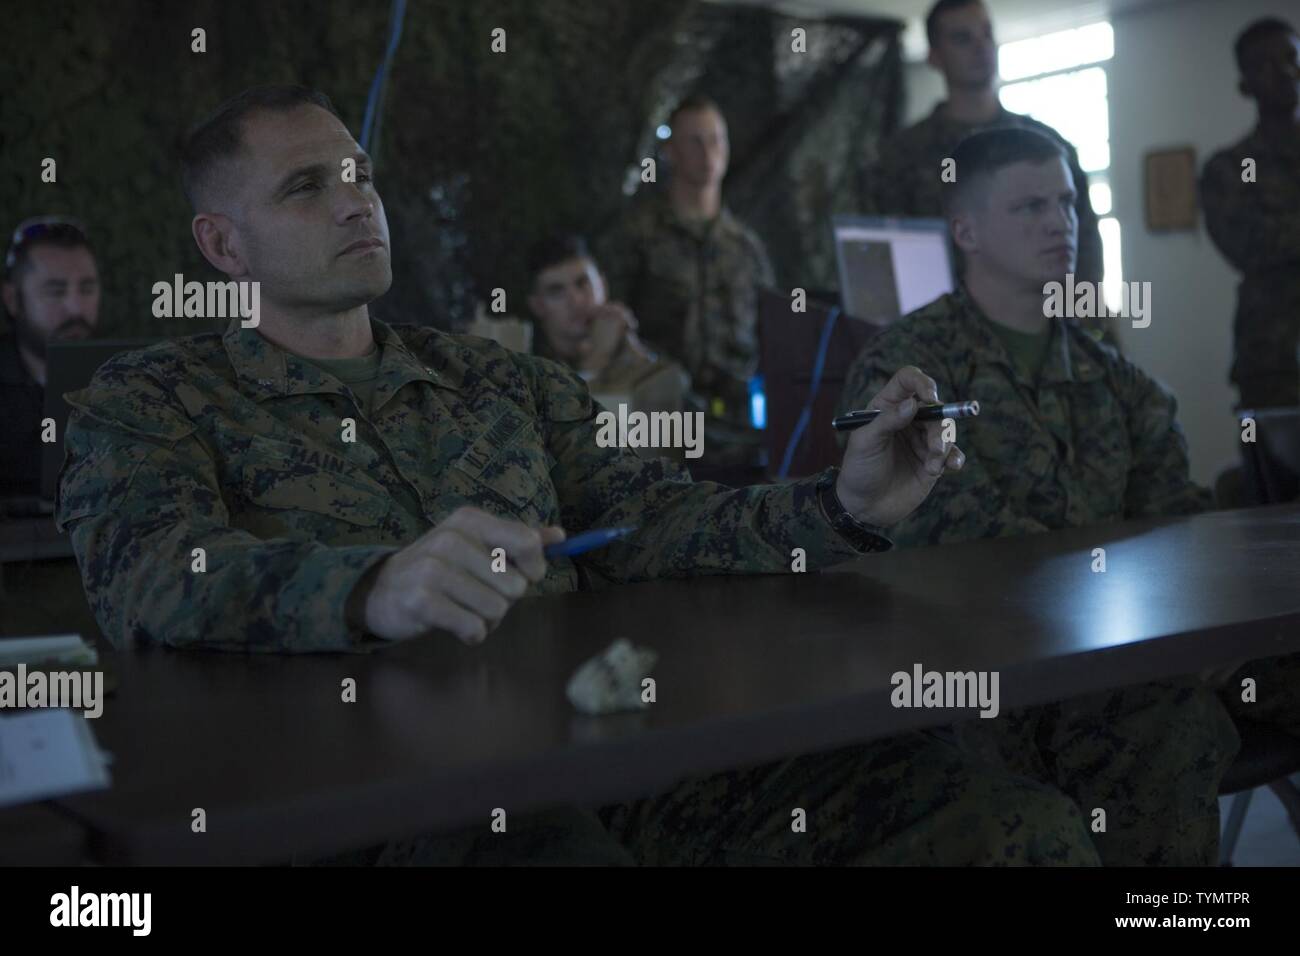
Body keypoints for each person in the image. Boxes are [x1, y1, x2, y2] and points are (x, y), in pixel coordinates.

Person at [58, 85, 1110, 867]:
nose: (354, 204)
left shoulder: (492, 378)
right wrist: (369, 584)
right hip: (383, 812)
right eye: (305, 187)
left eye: (360, 174)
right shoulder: (153, 398)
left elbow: (650, 514)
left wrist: (838, 501)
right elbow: (150, 574)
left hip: (618, 762)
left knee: (1005, 824)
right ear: (220, 243)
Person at [839, 127, 1242, 866]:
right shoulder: (907, 371)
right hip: (984, 679)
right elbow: (962, 549)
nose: (1061, 223)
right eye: (1030, 207)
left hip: (1122, 659)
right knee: (1167, 725)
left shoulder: (1119, 381)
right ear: (967, 231)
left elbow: (1184, 536)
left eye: (1067, 202)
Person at [863, 0, 1111, 344]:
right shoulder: (902, 157)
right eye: (963, 38)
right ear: (934, 56)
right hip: (942, 343)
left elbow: (1083, 245)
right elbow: (882, 264)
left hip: (1041, 333)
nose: (981, 48)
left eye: (987, 34)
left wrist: (1085, 328)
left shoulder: (1045, 146)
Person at [598, 94, 773, 467]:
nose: (708, 152)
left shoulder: (746, 249)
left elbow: (769, 336)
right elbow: (612, 325)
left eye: (716, 139)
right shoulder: (637, 236)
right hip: (662, 422)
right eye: (694, 140)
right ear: (671, 151)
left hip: (739, 429)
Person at [1201, 17, 1300, 410]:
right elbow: (1248, 246)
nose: (1286, 72)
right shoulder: (1238, 165)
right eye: (1266, 64)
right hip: (1276, 361)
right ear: (1245, 84)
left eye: (1292, 57)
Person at [527, 234, 689, 459]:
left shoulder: (651, 368)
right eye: (557, 291)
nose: (576, 300)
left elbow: (647, 458)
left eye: (583, 284)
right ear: (538, 305)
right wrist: (596, 362)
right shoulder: (528, 372)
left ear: (602, 285)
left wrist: (631, 357)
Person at [0, 217, 100, 498]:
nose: (75, 309)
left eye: (87, 288)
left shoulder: (122, 377)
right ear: (12, 299)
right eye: (55, 291)